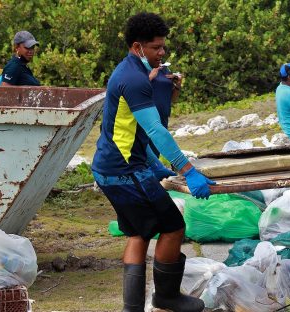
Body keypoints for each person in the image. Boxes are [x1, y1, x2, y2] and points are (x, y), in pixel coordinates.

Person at [91, 12, 214, 312]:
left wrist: (156, 166)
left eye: (162, 47)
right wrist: (188, 170)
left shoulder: (127, 71)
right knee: (173, 226)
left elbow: (127, 131)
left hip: (110, 167)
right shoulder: (134, 80)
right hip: (125, 172)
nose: (162, 53)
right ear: (137, 47)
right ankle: (167, 297)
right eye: (156, 48)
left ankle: (132, 309)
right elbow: (156, 130)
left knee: (139, 232)